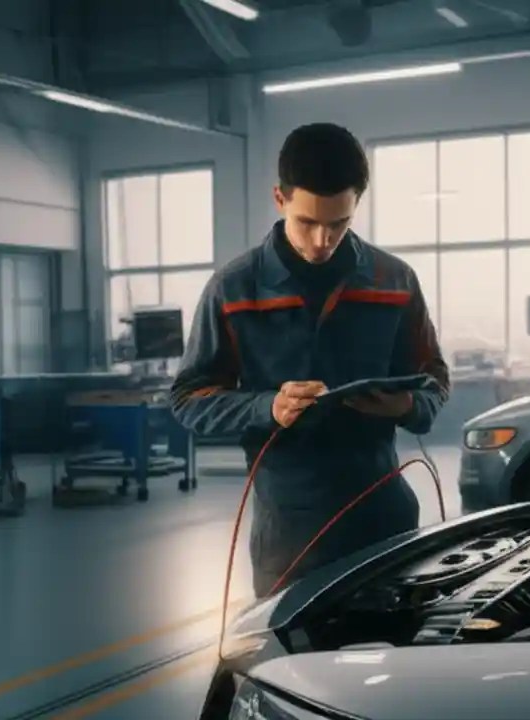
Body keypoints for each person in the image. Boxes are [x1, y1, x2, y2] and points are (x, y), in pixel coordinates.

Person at [169, 122, 450, 598]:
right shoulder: (234, 289)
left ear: (357, 203)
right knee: (294, 667)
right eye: (308, 222)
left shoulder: (394, 281)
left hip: (384, 512)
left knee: (389, 659)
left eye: (339, 224)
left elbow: (434, 382)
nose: (323, 241)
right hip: (289, 530)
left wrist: (403, 406)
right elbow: (188, 399)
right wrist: (266, 408)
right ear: (280, 199)